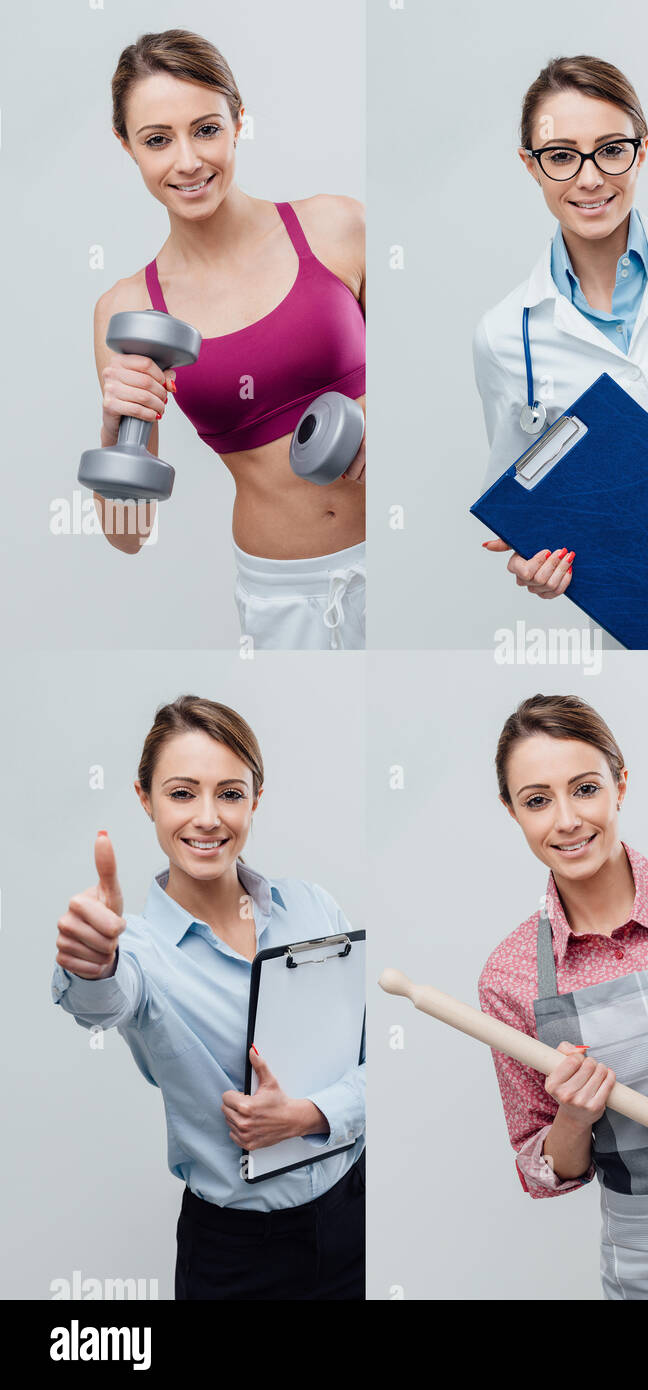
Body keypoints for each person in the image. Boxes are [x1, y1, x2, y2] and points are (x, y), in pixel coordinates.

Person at [52, 696, 365, 1300]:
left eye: (229, 792)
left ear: (255, 799)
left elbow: (380, 1065)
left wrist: (310, 1115)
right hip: (236, 1257)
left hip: (353, 1217)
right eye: (181, 793)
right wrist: (93, 965)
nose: (207, 817)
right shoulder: (137, 950)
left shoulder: (313, 908)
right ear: (145, 799)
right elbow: (103, 1000)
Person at [91, 30, 366, 649]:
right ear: (126, 146)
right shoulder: (130, 309)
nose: (187, 161)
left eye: (207, 129)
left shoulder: (337, 226)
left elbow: (432, 385)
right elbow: (128, 533)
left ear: (240, 121)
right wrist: (112, 427)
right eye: (157, 140)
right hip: (283, 592)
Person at [473, 56, 648, 650]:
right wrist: (535, 563)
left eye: (611, 149)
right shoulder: (505, 337)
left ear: (641, 151)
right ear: (530, 167)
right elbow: (522, 507)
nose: (590, 178)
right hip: (641, 627)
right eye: (562, 156)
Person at [479, 694, 648, 1299]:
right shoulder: (510, 976)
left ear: (620, 784)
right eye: (537, 800)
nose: (566, 819)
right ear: (511, 812)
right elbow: (544, 1170)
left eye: (585, 788)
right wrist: (574, 1115)